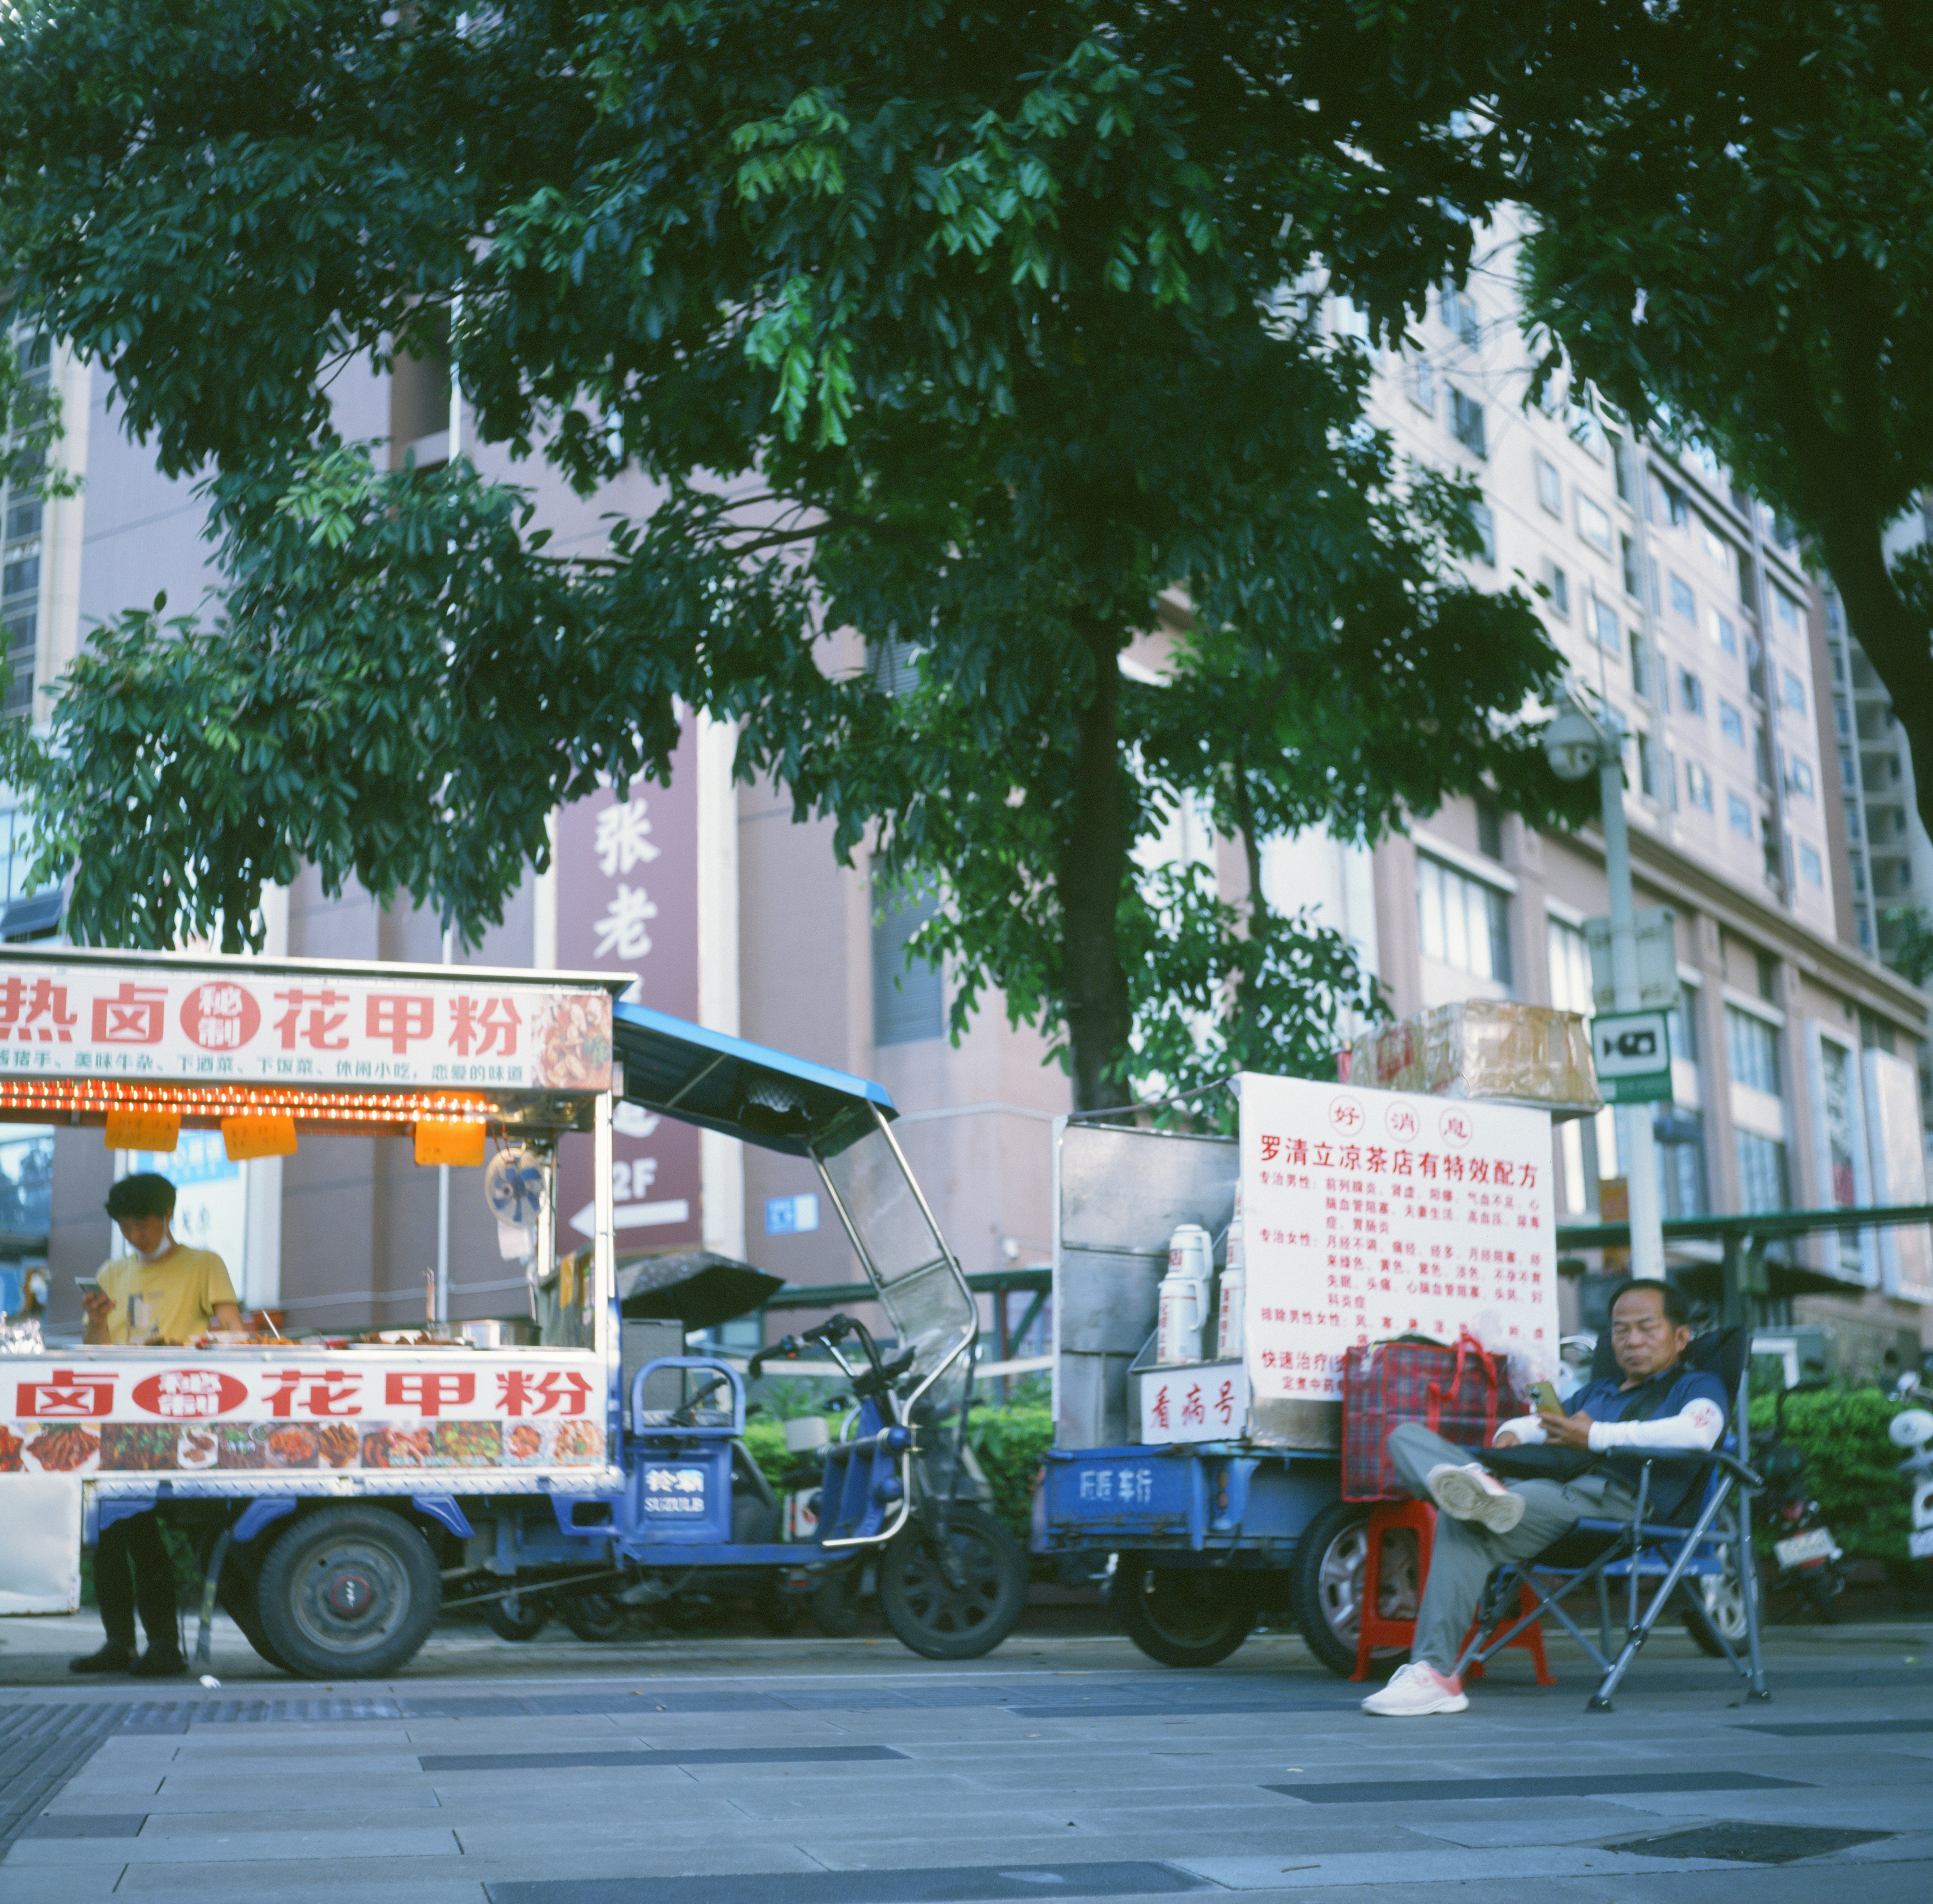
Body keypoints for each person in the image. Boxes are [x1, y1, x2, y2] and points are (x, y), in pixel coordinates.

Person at [1361, 1277, 1727, 1717]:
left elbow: (1698, 1433)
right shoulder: (1599, 1391)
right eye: (1620, 1329)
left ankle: (1435, 1670)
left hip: (1618, 1501)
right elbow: (1544, 1423)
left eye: (1647, 1327)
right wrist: (1513, 1431)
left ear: (1681, 1336)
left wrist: (1594, 1435)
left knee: (1465, 1518)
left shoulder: (1697, 1385)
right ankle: (1481, 1490)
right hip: (1549, 1494)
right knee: (1406, 1437)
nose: (1631, 1340)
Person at [70, 1172, 244, 1677]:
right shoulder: (112, 1271)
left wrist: (193, 1347)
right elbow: (97, 1349)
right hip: (121, 1413)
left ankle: (164, 1645)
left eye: (142, 1224)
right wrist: (97, 1319)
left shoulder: (204, 1264)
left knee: (141, 1528)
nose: (135, 1235)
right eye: (126, 1226)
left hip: (178, 1417)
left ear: (167, 1216)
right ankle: (120, 1642)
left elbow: (234, 1334)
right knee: (109, 1530)